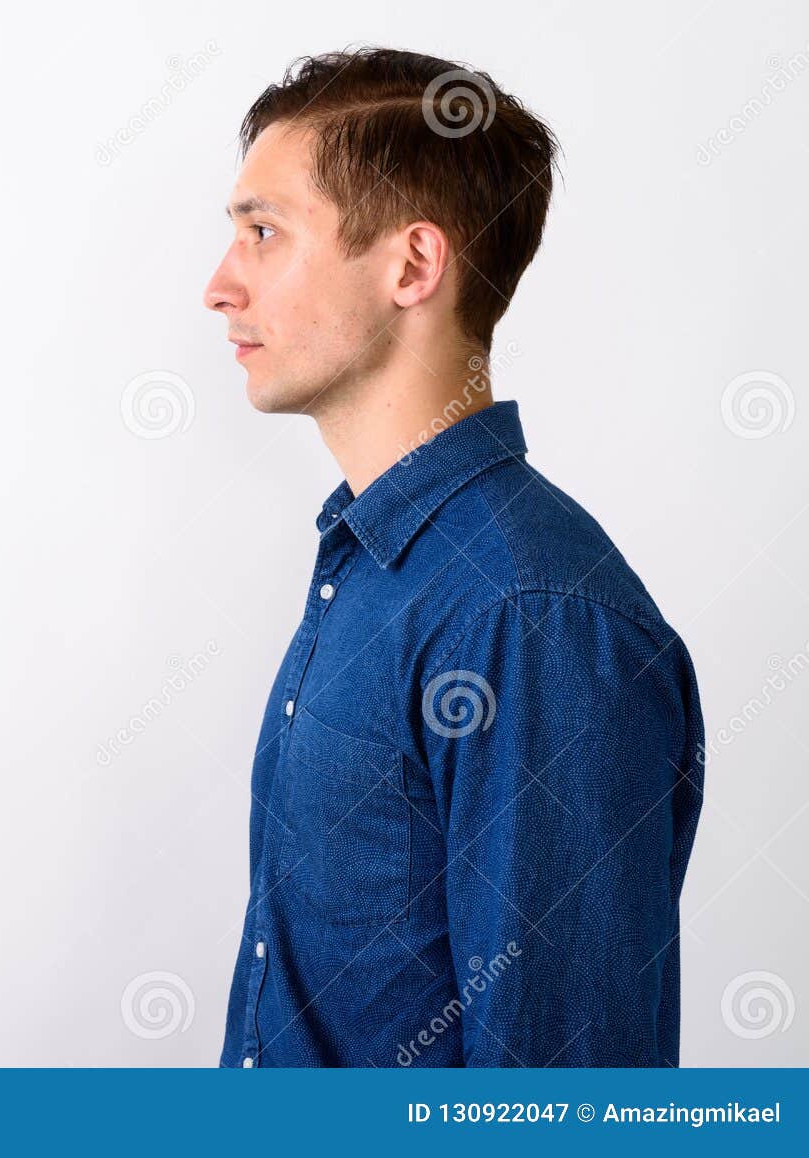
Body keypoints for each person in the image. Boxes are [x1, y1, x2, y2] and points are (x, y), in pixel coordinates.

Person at [203, 47, 703, 1067]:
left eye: (263, 232)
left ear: (412, 266)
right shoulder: (373, 559)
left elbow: (566, 1109)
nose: (220, 286)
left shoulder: (529, 614)